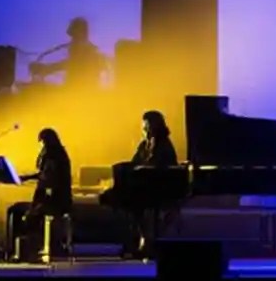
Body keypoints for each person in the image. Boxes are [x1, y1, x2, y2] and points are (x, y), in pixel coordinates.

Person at [101, 111, 180, 256]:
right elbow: (134, 163)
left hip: (159, 189)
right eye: (144, 128)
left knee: (132, 203)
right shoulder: (144, 145)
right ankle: (138, 239)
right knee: (120, 201)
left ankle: (144, 241)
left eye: (147, 128)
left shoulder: (164, 146)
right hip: (145, 188)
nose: (144, 131)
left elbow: (159, 170)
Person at [6, 128, 73, 262]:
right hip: (49, 198)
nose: (41, 145)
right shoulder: (54, 154)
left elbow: (50, 178)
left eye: (42, 141)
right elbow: (44, 174)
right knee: (15, 211)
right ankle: (18, 250)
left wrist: (28, 178)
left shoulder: (56, 156)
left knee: (31, 216)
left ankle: (29, 250)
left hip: (55, 200)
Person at [31, 17, 104, 90]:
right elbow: (70, 63)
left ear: (82, 33)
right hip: (75, 92)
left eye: (74, 36)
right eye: (73, 37)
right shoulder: (85, 49)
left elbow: (71, 63)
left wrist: (46, 69)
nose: (72, 40)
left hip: (80, 94)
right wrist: (45, 69)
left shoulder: (89, 51)